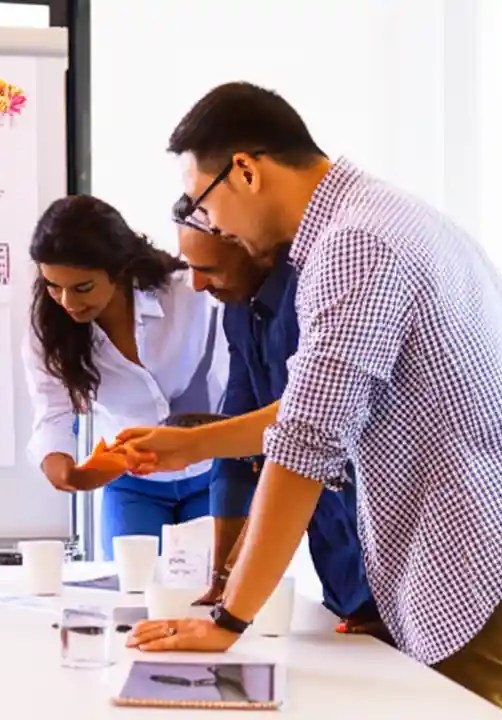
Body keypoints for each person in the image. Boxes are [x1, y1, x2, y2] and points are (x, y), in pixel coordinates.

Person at [120, 82, 502, 713]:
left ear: (246, 171)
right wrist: (196, 445)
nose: (211, 226)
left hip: (490, 547)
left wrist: (228, 621)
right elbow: (319, 406)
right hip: (482, 538)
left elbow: (307, 441)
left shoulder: (355, 242)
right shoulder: (368, 217)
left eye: (204, 205)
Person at [175, 218, 380, 638]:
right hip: (340, 566)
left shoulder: (321, 293)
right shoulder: (237, 312)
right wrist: (221, 577)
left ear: (252, 243)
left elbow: (303, 429)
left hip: (393, 551)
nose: (195, 285)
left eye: (209, 269)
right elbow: (237, 443)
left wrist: (232, 615)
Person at [24, 195, 228, 561]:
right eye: (54, 286)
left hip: (213, 474)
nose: (67, 302)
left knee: (210, 595)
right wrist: (65, 471)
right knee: (131, 594)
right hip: (132, 485)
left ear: (118, 269)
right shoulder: (49, 326)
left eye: (82, 287)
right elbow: (52, 412)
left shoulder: (188, 292)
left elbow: (242, 377)